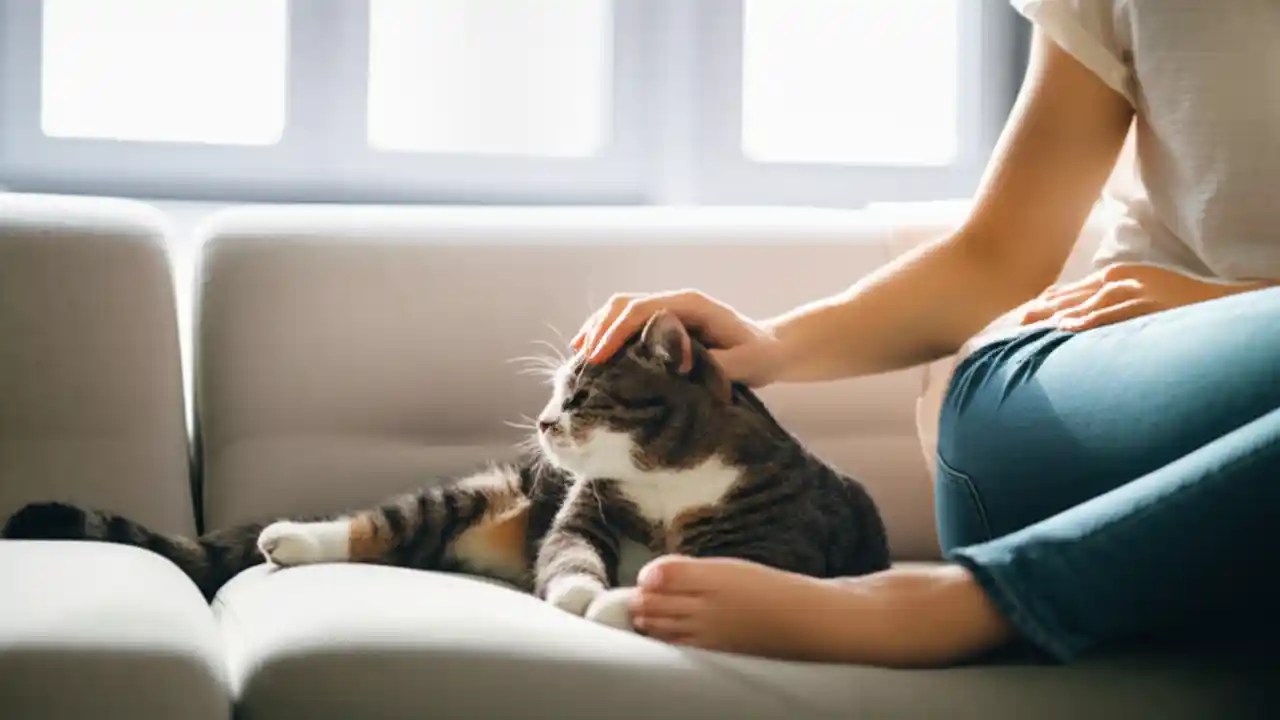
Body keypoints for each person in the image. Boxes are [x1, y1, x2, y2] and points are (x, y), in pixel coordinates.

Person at [569, 0, 1280, 667]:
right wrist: (773, 344)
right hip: (1087, 410)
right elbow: (998, 254)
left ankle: (970, 606)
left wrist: (1240, 302)